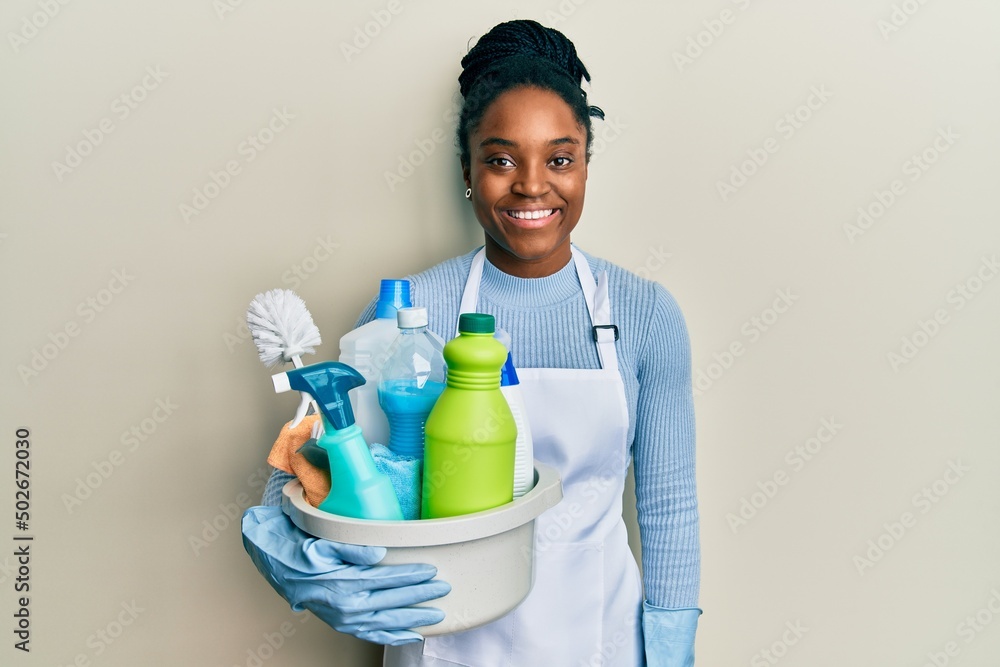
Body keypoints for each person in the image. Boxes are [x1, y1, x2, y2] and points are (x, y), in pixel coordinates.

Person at [242, 19, 701, 667]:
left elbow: (670, 507)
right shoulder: (409, 311)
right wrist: (292, 560)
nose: (533, 185)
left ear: (586, 167)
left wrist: (673, 653)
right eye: (501, 158)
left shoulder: (645, 314)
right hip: (442, 643)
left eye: (560, 158)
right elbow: (317, 465)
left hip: (598, 643)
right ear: (468, 170)